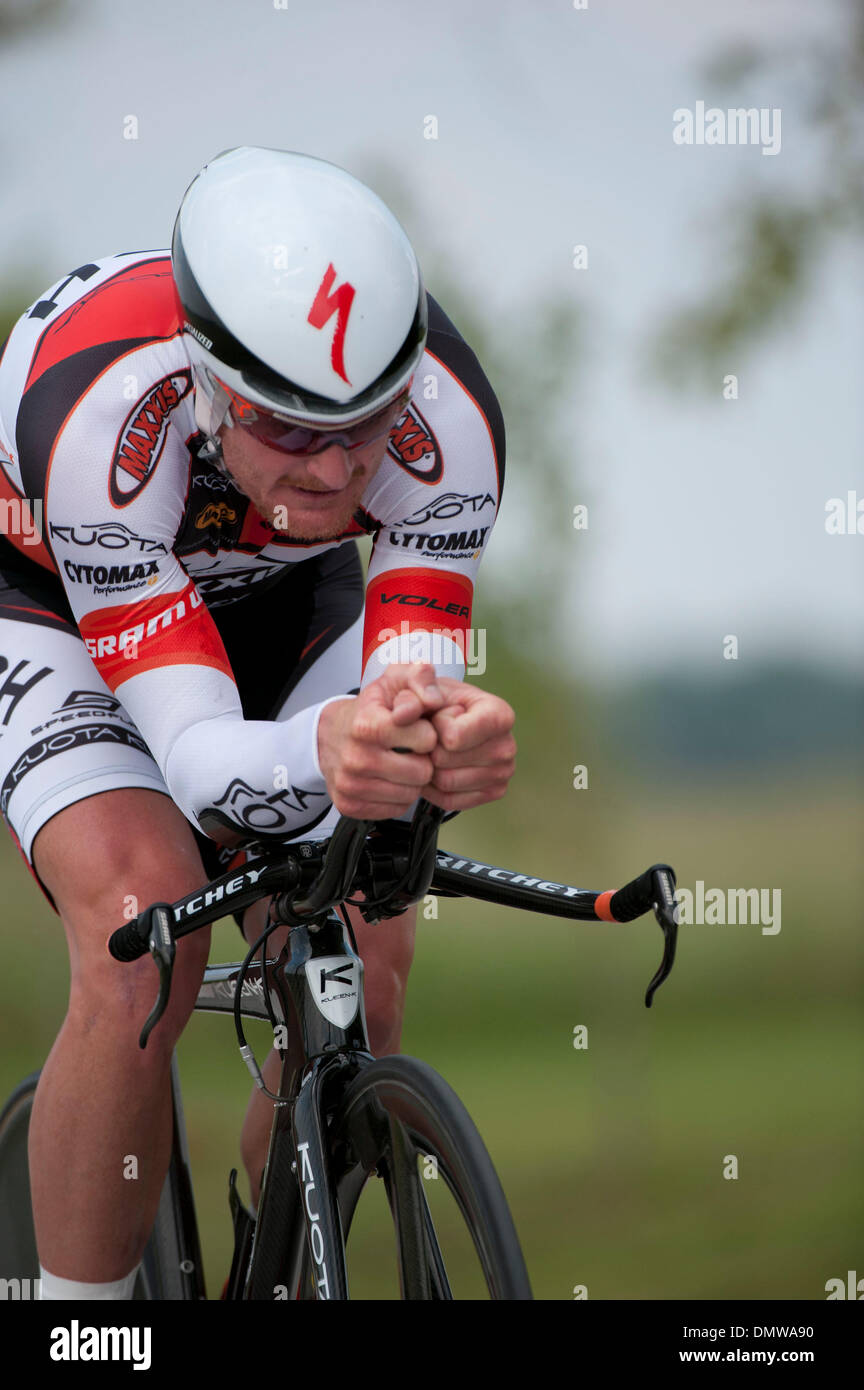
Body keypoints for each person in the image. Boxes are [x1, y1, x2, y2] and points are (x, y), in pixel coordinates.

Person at [0, 146, 514, 1300]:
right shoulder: (99, 419)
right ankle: (76, 1325)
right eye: (290, 429)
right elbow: (194, 764)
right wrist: (324, 748)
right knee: (145, 929)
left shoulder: (450, 424)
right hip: (56, 603)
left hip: (284, 592)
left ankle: (274, 1263)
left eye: (367, 424)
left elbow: (404, 691)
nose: (338, 467)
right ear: (206, 380)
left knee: (365, 958)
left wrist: (436, 743)